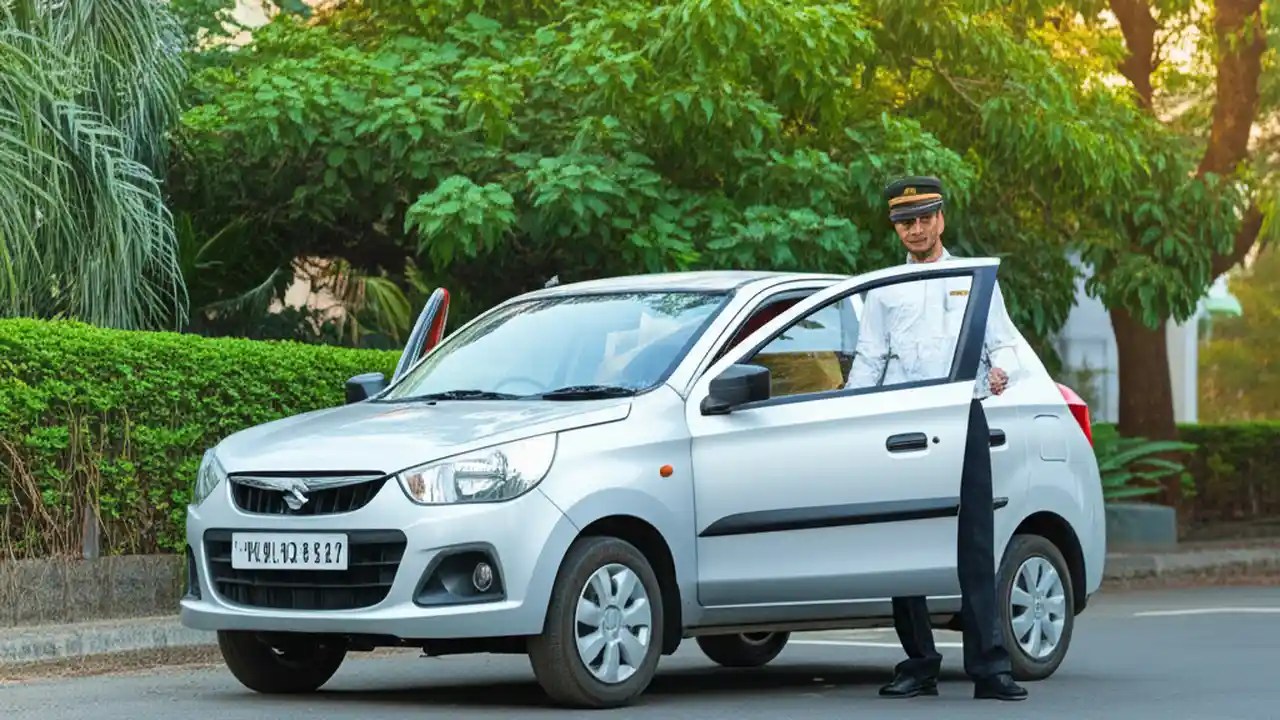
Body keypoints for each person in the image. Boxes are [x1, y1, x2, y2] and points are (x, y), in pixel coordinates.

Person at [844, 175, 1028, 701]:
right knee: (903, 541)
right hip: (901, 423)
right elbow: (871, 358)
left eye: (925, 219)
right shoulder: (884, 288)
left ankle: (990, 669)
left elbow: (1004, 344)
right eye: (907, 222)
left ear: (942, 219)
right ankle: (919, 663)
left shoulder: (973, 280)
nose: (917, 229)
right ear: (895, 227)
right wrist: (850, 415)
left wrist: (1002, 371)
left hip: (960, 418)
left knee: (974, 541)